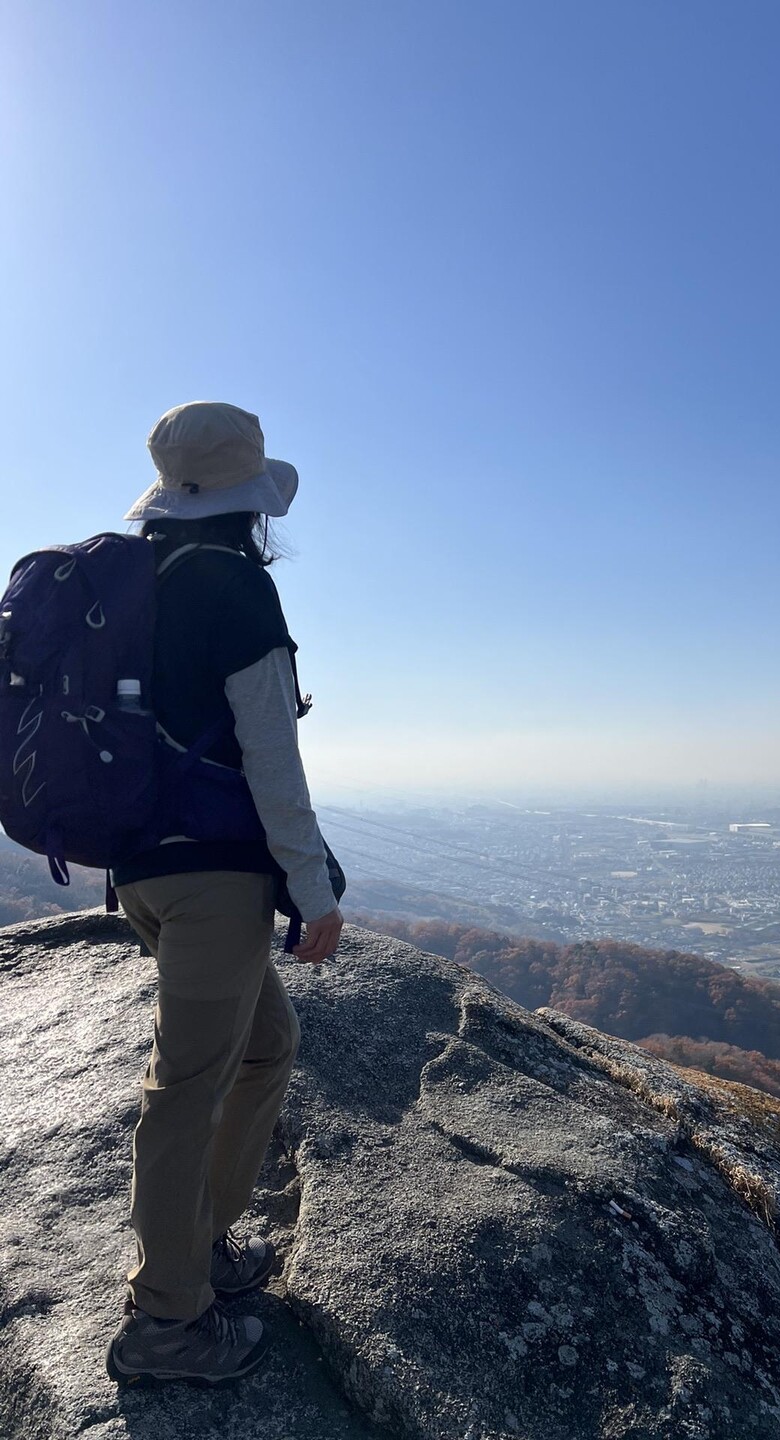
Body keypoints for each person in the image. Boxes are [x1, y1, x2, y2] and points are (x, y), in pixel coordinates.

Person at [104, 401, 342, 1387]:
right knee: (187, 1088)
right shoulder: (235, 590)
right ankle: (166, 1319)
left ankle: (195, 1246)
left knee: (266, 1045)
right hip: (212, 880)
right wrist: (311, 886)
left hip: (145, 875)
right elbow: (271, 759)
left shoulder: (132, 580)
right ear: (249, 503)